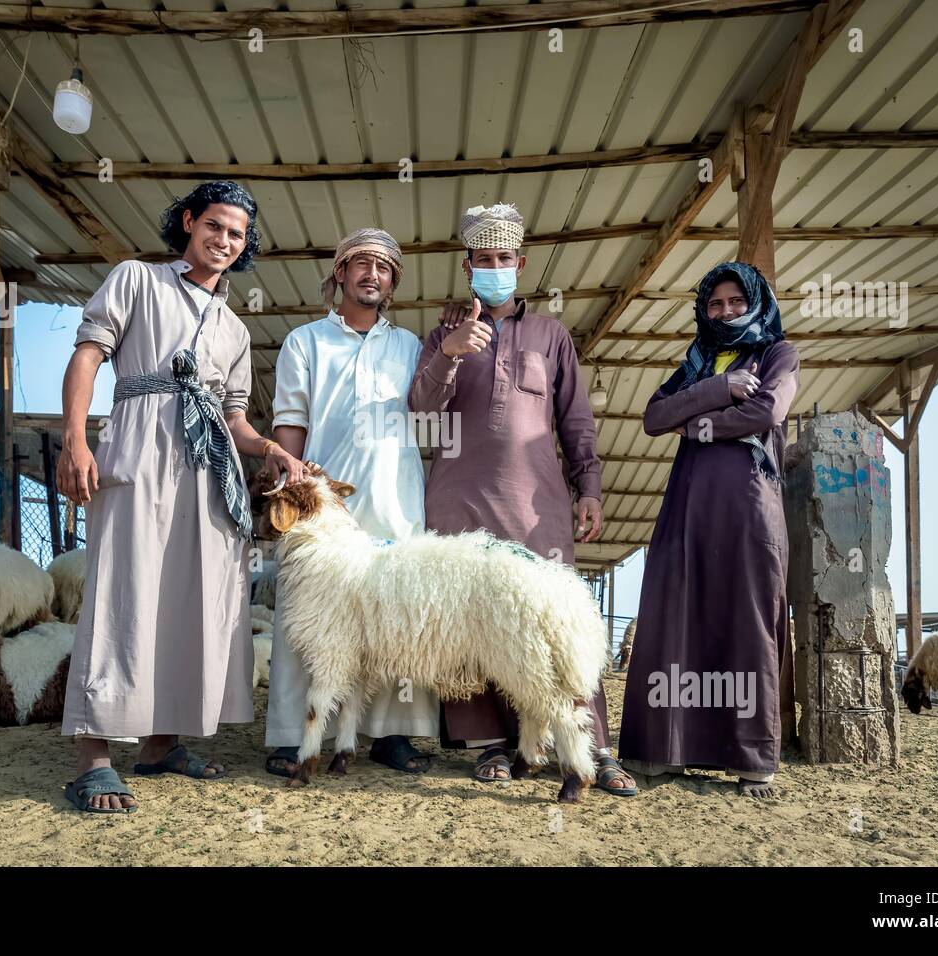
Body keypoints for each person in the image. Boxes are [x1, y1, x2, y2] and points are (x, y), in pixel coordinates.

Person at [56, 181, 306, 813]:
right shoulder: (138, 279)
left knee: (193, 595)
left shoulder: (234, 329)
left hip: (207, 467)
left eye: (238, 235)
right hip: (139, 446)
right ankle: (94, 757)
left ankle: (161, 744)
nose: (224, 241)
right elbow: (87, 357)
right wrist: (76, 442)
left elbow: (236, 420)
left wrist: (270, 450)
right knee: (124, 587)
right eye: (215, 226)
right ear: (189, 222)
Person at [408, 202, 635, 795]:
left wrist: (589, 487)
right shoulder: (442, 334)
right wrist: (451, 350)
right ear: (468, 266)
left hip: (538, 503)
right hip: (458, 501)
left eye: (504, 258)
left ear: (521, 263)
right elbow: (421, 411)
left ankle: (593, 747)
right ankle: (492, 745)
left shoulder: (552, 335)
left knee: (558, 620)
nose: (494, 267)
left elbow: (576, 420)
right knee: (468, 621)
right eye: (483, 259)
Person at [616, 260, 799, 798]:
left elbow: (767, 410)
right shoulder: (697, 363)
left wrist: (694, 425)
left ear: (756, 303)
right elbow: (653, 417)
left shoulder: (777, 354)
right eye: (715, 304)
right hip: (687, 506)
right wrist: (720, 386)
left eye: (735, 303)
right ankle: (664, 750)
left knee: (746, 620)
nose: (725, 311)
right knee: (674, 616)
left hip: (748, 506)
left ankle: (751, 760)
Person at [264, 228, 439, 777]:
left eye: (383, 269)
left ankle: (393, 736)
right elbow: (290, 420)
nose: (372, 275)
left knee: (396, 616)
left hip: (394, 496)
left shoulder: (411, 345)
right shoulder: (305, 341)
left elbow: (432, 409)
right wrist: (288, 486)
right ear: (340, 273)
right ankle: (296, 734)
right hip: (323, 506)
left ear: (392, 283)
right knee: (308, 615)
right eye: (361, 265)